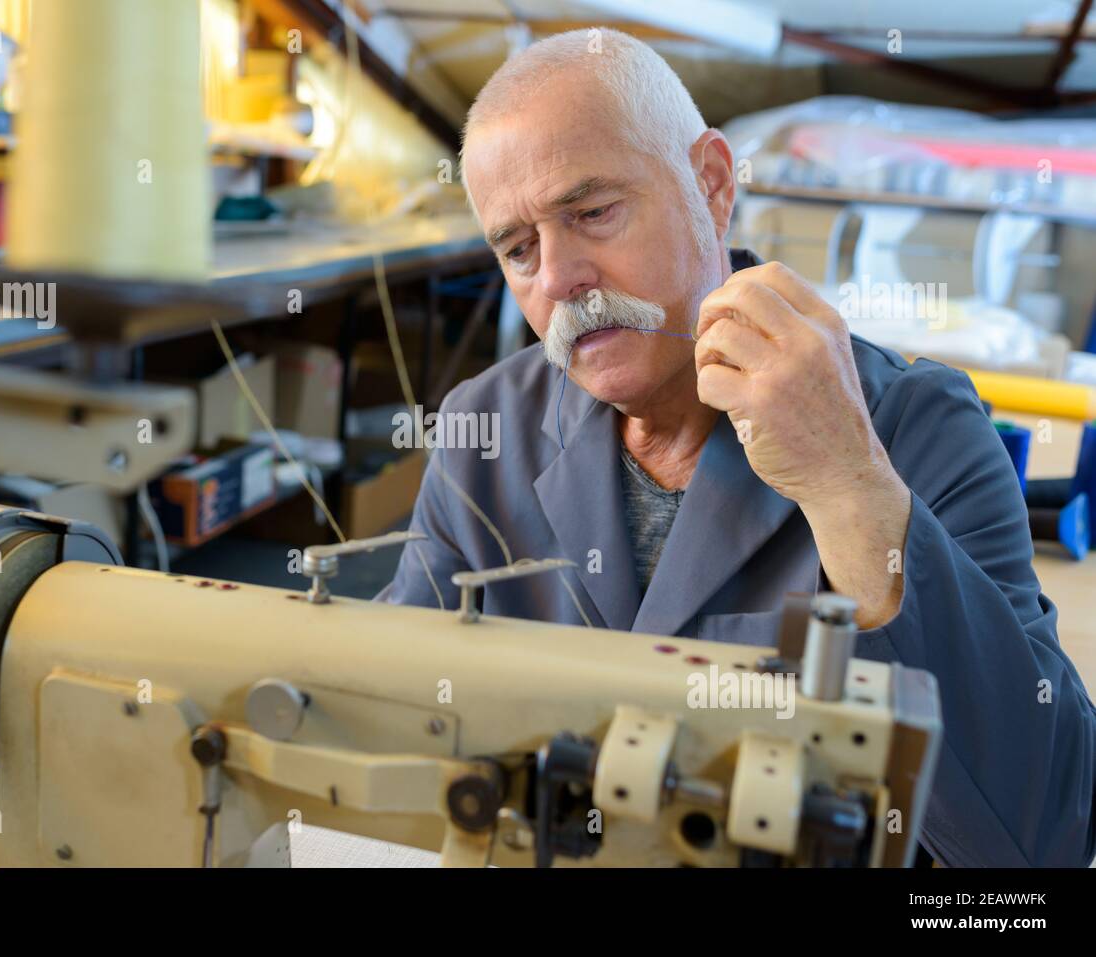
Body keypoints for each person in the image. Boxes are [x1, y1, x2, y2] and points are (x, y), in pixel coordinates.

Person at [376, 29, 1096, 867]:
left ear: (711, 184)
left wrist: (848, 483)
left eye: (593, 212)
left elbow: (1047, 835)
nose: (560, 277)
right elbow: (394, 714)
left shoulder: (913, 427)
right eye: (519, 248)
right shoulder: (483, 430)